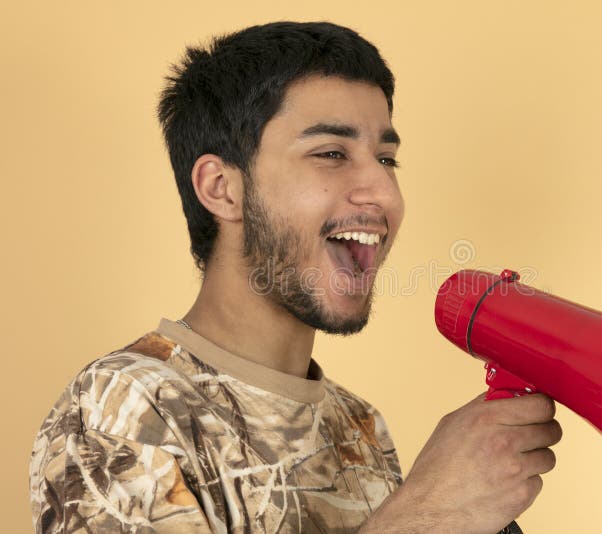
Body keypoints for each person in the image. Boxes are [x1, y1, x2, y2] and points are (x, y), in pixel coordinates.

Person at [29, 21, 561, 533]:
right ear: (221, 189)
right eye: (331, 154)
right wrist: (426, 515)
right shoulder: (122, 408)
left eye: (386, 159)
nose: (384, 194)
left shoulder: (360, 426)